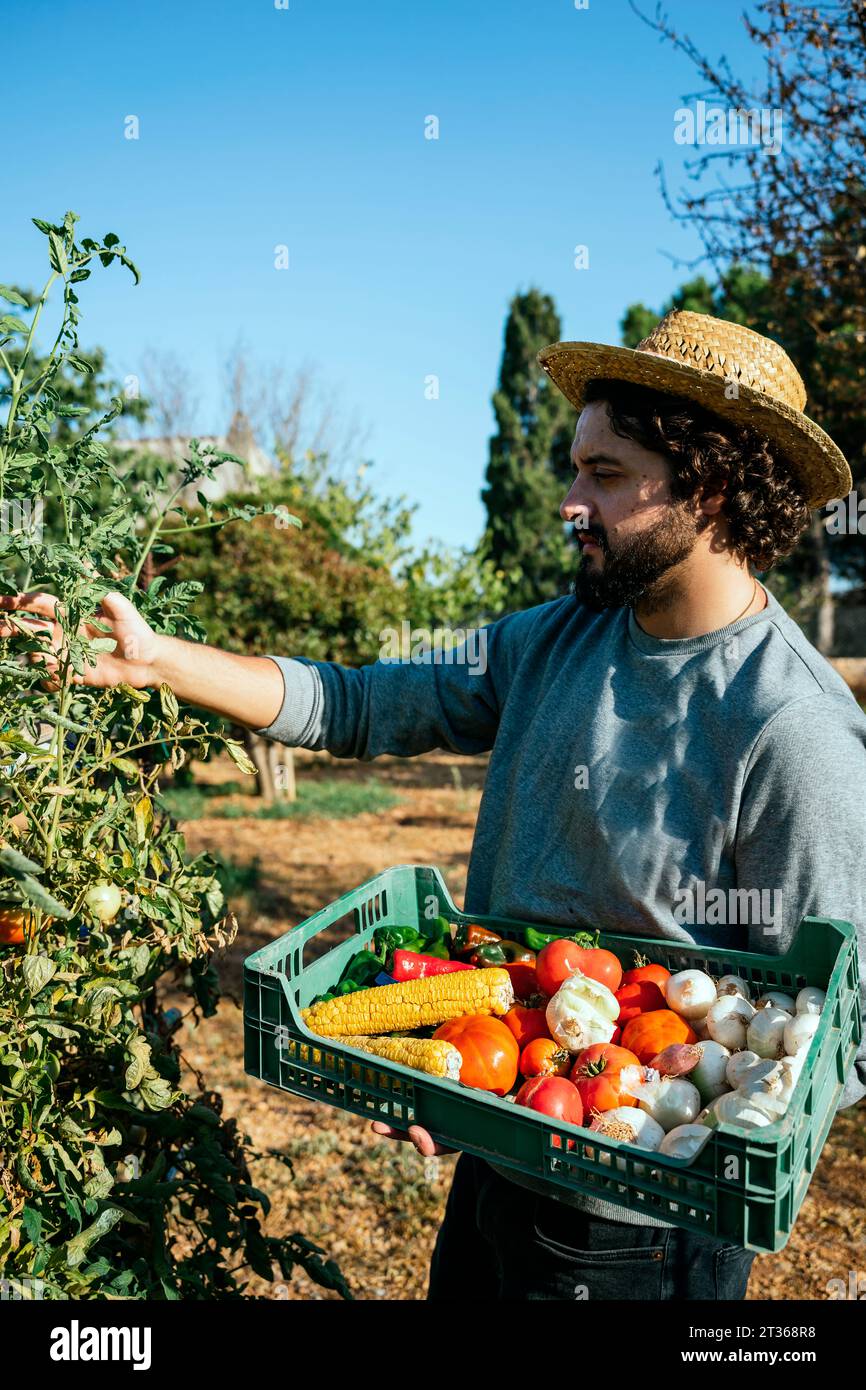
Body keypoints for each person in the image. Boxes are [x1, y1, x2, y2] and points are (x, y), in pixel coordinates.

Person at [3, 310, 865, 1300]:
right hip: (493, 1151)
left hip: (638, 1230)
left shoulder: (787, 726)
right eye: (573, 468)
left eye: (606, 477)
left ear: (710, 484)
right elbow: (360, 703)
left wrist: (666, 1122)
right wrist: (156, 660)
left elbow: (829, 1029)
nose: (569, 503)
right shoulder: (552, 639)